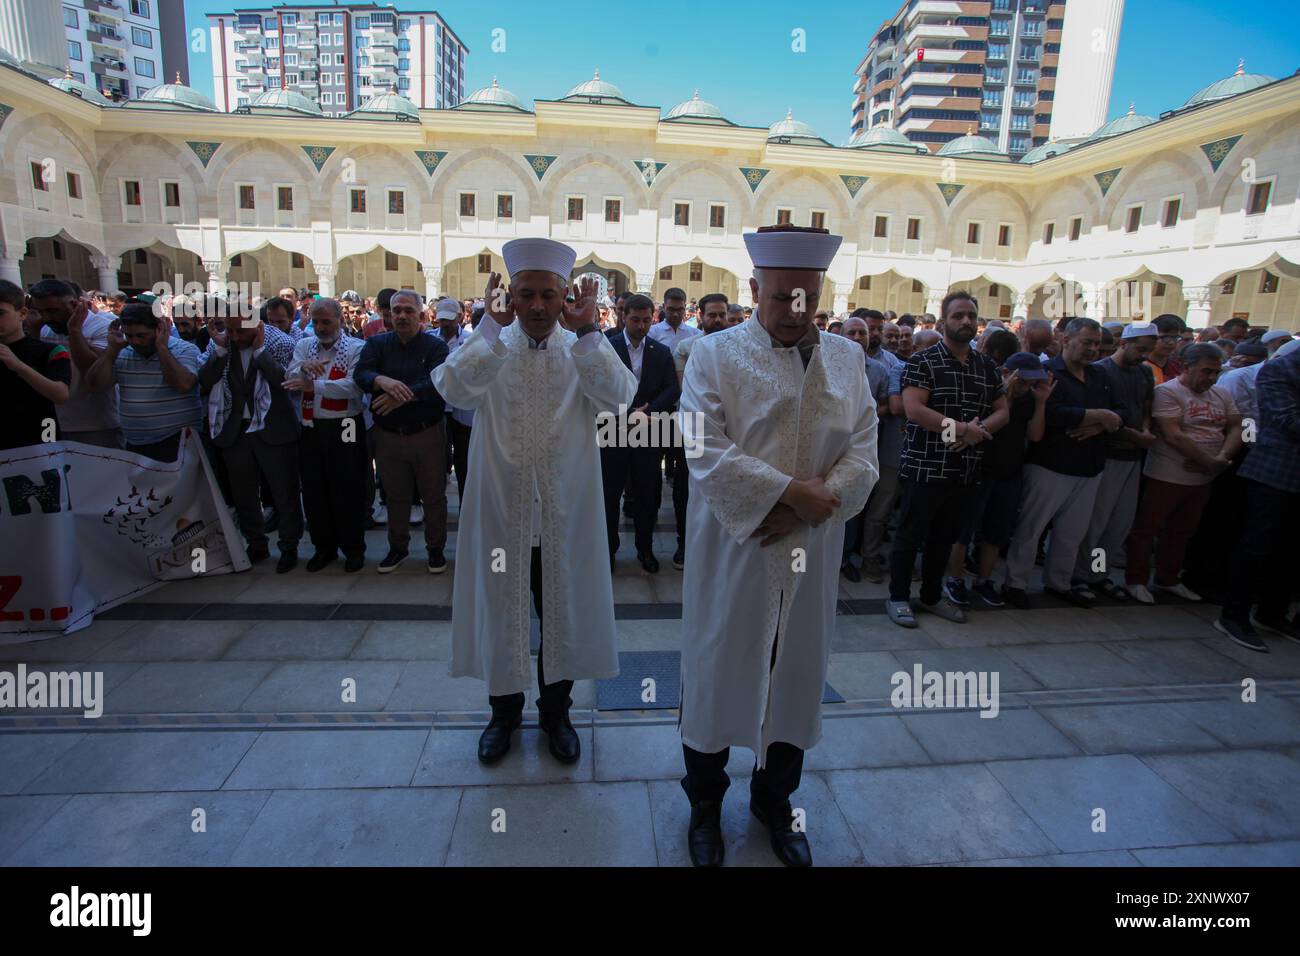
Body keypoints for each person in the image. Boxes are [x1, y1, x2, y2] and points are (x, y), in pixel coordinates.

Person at [678, 225, 877, 868]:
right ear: (754, 290)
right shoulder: (712, 354)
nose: (794, 312)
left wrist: (816, 504)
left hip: (809, 548)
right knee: (716, 671)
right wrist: (792, 493)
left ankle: (776, 799)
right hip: (735, 549)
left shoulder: (849, 360)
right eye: (780, 297)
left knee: (794, 675)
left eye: (807, 299)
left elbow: (864, 447)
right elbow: (703, 447)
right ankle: (705, 805)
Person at [432, 238, 636, 766]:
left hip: (564, 516)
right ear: (510, 295)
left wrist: (591, 330)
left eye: (550, 294)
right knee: (502, 612)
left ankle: (556, 714)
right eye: (528, 294)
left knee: (561, 613)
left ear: (566, 295)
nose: (540, 306)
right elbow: (453, 388)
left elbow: (618, 399)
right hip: (503, 514)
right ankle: (503, 714)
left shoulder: (583, 348)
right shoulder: (491, 346)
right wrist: (490, 328)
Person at [886, 291, 1008, 627]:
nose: (966, 321)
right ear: (943, 322)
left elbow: (1003, 411)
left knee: (945, 538)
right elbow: (914, 410)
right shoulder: (923, 362)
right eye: (958, 316)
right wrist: (962, 430)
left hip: (966, 468)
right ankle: (898, 597)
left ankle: (930, 595)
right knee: (910, 535)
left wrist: (975, 431)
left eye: (971, 315)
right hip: (925, 466)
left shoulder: (987, 366)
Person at [1001, 319, 1119, 608]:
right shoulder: (1047, 373)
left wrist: (1101, 424)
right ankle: (1015, 582)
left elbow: (1120, 413)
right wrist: (1098, 414)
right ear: (1066, 340)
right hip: (1049, 465)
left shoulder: (1100, 375)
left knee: (1072, 532)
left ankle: (1060, 581)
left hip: (1089, 466)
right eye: (1086, 342)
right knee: (1031, 529)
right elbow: (1051, 413)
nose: (1093, 348)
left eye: (1096, 343)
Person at [1121, 343, 1242, 604]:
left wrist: (1220, 459)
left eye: (1215, 372)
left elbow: (1237, 427)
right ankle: (1136, 579)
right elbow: (1173, 435)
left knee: (1183, 530)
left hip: (1203, 476)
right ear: (1187, 367)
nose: (1210, 378)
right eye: (1205, 371)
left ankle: (1168, 578)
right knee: (1148, 528)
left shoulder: (1221, 394)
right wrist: (1210, 461)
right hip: (1167, 474)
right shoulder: (1167, 392)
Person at [197, 303, 303, 572]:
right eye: (229, 330)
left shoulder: (280, 342)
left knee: (284, 493)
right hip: (235, 429)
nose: (233, 337)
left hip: (273, 428)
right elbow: (205, 380)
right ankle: (256, 543)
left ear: (256, 326)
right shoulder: (222, 342)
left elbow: (286, 383)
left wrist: (259, 351)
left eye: (238, 331)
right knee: (243, 493)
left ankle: (289, 546)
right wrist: (219, 350)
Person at [354, 290, 450, 574]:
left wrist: (401, 395)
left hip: (427, 434)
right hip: (388, 435)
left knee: (433, 496)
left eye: (408, 311)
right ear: (388, 315)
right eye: (396, 311)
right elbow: (361, 375)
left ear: (421, 316)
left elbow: (438, 383)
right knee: (395, 496)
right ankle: (398, 547)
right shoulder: (376, 345)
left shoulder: (436, 348)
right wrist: (381, 380)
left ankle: (436, 549)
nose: (402, 316)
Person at [1214, 341, 1300, 650]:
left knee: (1291, 552)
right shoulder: (1283, 368)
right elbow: (1288, 420)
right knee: (1257, 547)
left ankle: (1272, 612)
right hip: (1277, 473)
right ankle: (1234, 615)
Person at [1069, 322, 1157, 600]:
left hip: (1133, 456)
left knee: (1118, 524)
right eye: (1141, 348)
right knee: (1097, 522)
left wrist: (1144, 431)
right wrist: (1131, 434)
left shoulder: (1144, 371)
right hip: (1109, 457)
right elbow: (1103, 416)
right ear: (1124, 343)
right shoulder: (1102, 371)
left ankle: (1099, 574)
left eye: (1148, 350)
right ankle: (1081, 574)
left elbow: (1145, 407)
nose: (1144, 355)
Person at [284, 297, 367, 573]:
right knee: (315, 489)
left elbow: (353, 387)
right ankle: (324, 548)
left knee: (348, 487)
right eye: (315, 321)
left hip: (345, 425)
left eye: (326, 321)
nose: (320, 327)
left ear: (340, 320)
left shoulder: (356, 348)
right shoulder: (304, 346)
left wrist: (314, 386)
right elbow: (291, 375)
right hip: (311, 426)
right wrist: (302, 368)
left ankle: (353, 548)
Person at [601, 293, 679, 572]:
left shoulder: (660, 351)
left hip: (648, 429)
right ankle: (608, 550)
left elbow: (672, 388)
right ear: (624, 317)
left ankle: (645, 549)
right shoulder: (606, 348)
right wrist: (626, 413)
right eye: (635, 319)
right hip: (613, 427)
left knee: (647, 493)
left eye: (647, 320)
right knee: (610, 494)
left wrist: (648, 411)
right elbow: (597, 387)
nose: (641, 326)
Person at [966, 353, 1051, 606]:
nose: (1027, 387)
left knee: (997, 531)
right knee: (964, 530)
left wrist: (1041, 403)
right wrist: (1008, 397)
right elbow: (985, 428)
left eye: (1032, 383)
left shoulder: (1030, 400)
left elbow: (1035, 436)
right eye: (1023, 381)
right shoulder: (987, 393)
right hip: (979, 470)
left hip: (1009, 473)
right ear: (1006, 372)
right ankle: (955, 579)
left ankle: (984, 580)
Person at [83, 304, 203, 462]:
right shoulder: (121, 352)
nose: (135, 341)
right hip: (135, 444)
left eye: (141, 335)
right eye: (129, 336)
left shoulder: (184, 350)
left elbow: (183, 385)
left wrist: (162, 348)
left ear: (159, 329)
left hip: (177, 442)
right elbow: (95, 386)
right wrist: (111, 351)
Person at [30, 279, 122, 448]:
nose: (46, 317)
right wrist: (34, 331)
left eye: (53, 311)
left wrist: (74, 331)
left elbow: (92, 373)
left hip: (96, 424)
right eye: (41, 311)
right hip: (56, 421)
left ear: (74, 304)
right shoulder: (45, 328)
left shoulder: (103, 327)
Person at [838, 315, 889, 581]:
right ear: (841, 335)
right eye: (852, 333)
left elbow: (885, 404)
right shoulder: (829, 365)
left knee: (853, 504)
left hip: (862, 449)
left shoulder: (879, 371)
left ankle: (845, 558)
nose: (858, 338)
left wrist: (862, 415)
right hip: (833, 449)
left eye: (862, 333)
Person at [0, 278, 70, 450]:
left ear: (22, 313)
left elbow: (60, 395)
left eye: (0, 313)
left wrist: (19, 366)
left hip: (41, 438)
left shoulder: (49, 351)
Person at [433, 298, 473, 503]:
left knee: (463, 457)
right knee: (437, 458)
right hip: (437, 408)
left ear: (460, 317)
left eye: (449, 319)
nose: (446, 324)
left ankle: (465, 501)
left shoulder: (470, 339)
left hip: (460, 409)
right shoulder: (430, 339)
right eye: (442, 320)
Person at [647, 287, 700, 351]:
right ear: (664, 307)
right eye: (671, 309)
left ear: (685, 307)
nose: (675, 314)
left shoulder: (695, 334)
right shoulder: (651, 333)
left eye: (679, 309)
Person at [1146, 314, 1187, 385]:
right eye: (1165, 337)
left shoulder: (1178, 366)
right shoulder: (1137, 367)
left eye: (1175, 338)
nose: (1171, 342)